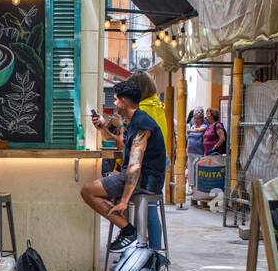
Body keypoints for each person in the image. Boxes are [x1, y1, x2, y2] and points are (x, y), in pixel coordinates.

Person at [82, 73, 167, 254]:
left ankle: (129, 232)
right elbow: (123, 146)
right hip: (138, 176)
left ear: (123, 102)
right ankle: (130, 237)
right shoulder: (135, 120)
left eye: (115, 100)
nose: (114, 103)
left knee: (88, 191)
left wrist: (124, 200)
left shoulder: (142, 124)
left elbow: (135, 165)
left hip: (145, 180)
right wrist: (103, 129)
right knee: (96, 189)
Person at [186, 108, 206, 194]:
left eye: (198, 118)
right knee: (190, 171)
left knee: (198, 171)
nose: (196, 120)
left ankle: (198, 189)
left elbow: (199, 130)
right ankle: (192, 188)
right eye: (195, 118)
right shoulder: (193, 126)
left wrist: (189, 130)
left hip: (199, 153)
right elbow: (188, 139)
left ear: (202, 119)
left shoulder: (203, 127)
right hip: (190, 152)